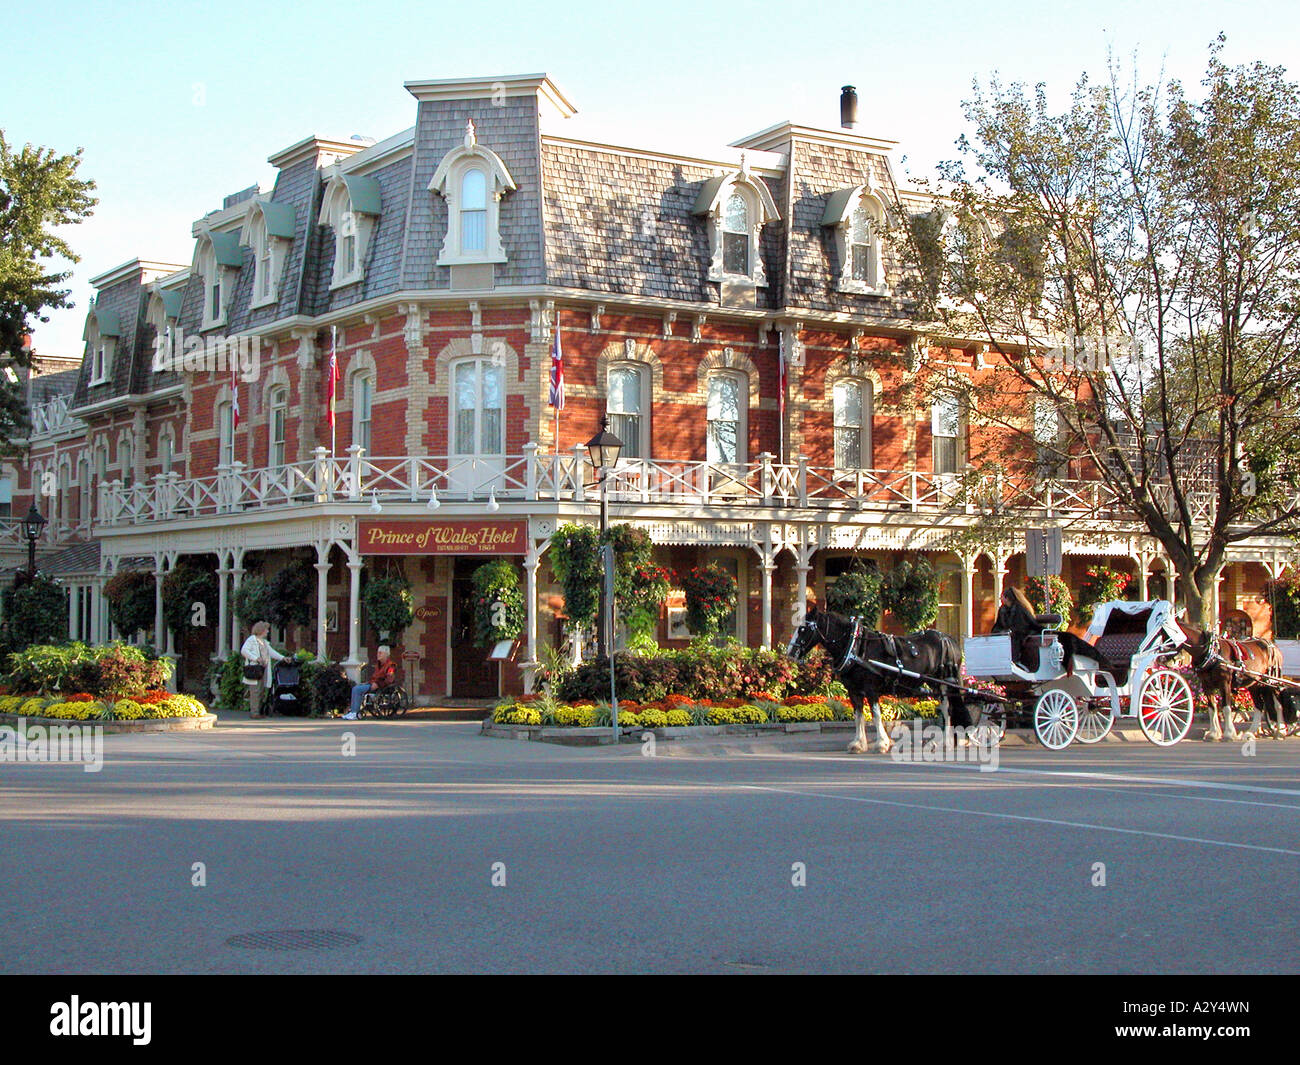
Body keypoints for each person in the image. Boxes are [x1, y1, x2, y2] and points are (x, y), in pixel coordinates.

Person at [241, 621, 287, 719]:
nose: (268, 631)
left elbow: (272, 652)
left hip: (264, 669)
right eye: (266, 629)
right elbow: (244, 651)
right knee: (255, 690)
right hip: (255, 669)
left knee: (261, 690)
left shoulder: (265, 642)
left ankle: (259, 711)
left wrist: (283, 658)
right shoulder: (252, 640)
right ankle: (254, 712)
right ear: (261, 630)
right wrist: (256, 658)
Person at [342, 645, 398, 720]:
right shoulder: (378, 665)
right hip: (372, 684)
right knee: (356, 688)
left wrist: (378, 684)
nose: (378, 654)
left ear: (386, 654)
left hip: (380, 686)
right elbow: (375, 677)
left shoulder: (391, 665)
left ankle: (355, 712)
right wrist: (368, 683)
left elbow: (389, 679)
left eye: (380, 653)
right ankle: (353, 711)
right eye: (378, 653)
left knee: (357, 689)